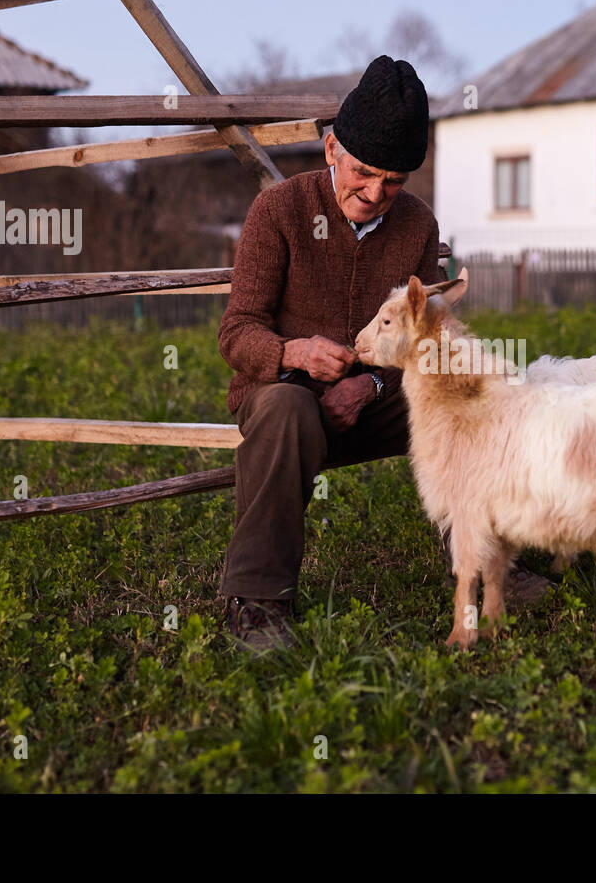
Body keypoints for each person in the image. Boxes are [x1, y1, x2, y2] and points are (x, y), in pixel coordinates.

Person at [217, 55, 549, 653]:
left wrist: (369, 386)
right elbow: (237, 332)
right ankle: (258, 601)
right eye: (363, 172)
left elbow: (429, 346)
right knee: (287, 413)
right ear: (330, 149)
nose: (375, 193)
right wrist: (294, 351)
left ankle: (490, 560)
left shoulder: (418, 225)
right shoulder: (279, 211)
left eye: (394, 182)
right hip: (287, 397)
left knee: (469, 399)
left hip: (384, 397)